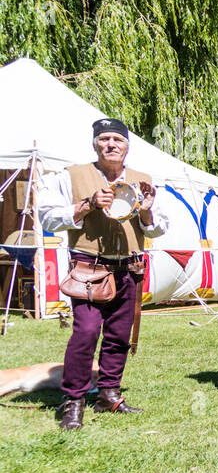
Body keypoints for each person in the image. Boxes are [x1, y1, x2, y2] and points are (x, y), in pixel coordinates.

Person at [38, 117, 168, 429]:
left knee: (118, 336)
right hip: (88, 267)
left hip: (128, 268)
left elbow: (161, 227)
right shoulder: (73, 176)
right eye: (104, 139)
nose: (111, 145)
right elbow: (47, 218)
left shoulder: (143, 179)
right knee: (85, 334)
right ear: (95, 143)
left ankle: (109, 394)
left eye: (117, 140)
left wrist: (148, 208)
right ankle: (73, 400)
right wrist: (87, 204)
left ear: (126, 146)